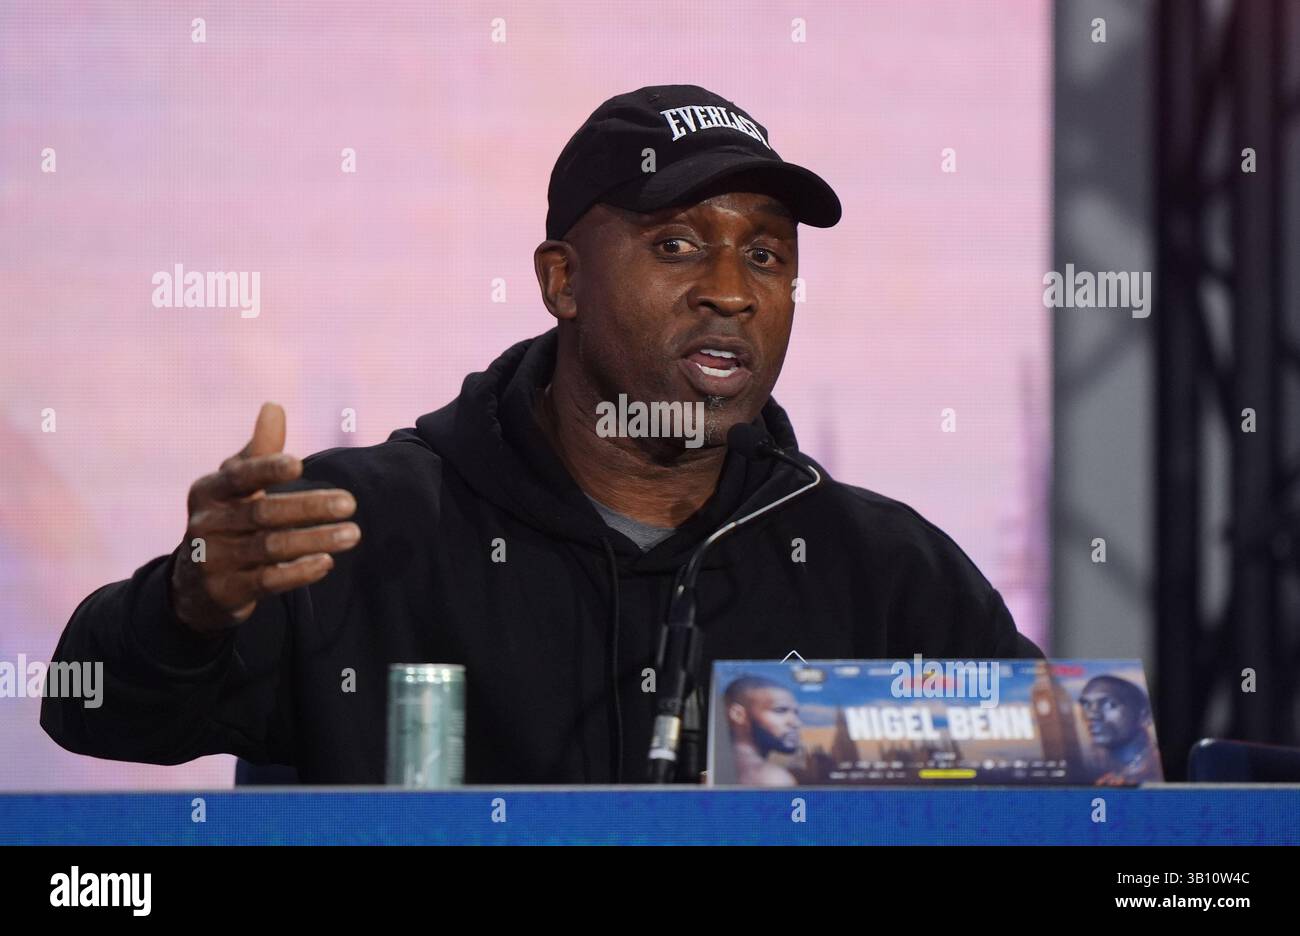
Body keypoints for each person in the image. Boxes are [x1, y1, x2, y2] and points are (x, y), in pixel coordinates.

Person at [42, 84, 1043, 785]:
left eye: (768, 257)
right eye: (676, 245)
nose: (733, 292)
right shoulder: (358, 527)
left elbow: (1076, 785)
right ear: (561, 280)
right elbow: (89, 708)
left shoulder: (878, 565)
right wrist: (189, 600)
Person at [1079, 675, 1160, 784]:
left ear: (1144, 715)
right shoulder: (1108, 777)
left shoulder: (1157, 772)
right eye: (1086, 705)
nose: (1091, 715)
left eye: (1110, 705)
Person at [723, 676, 803, 786]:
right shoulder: (773, 779)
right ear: (738, 715)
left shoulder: (720, 764)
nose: (796, 723)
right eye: (780, 710)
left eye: (796, 713)